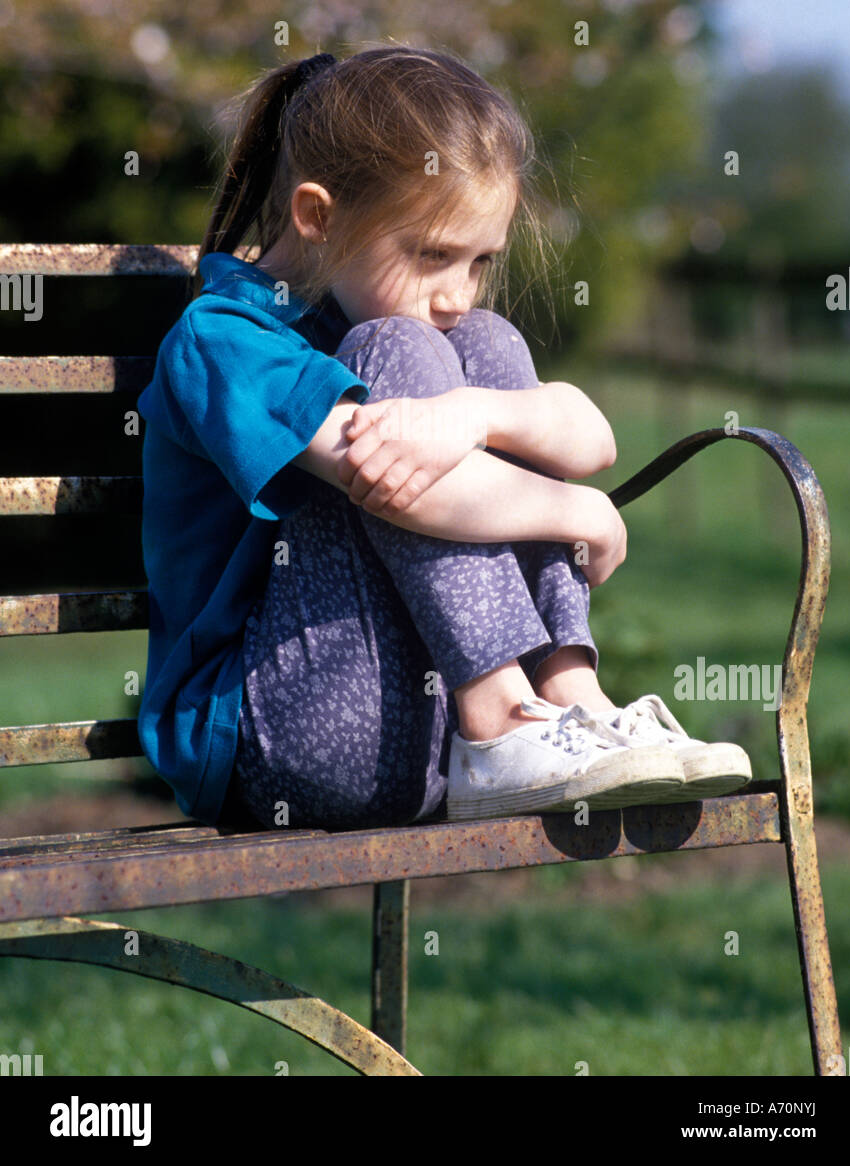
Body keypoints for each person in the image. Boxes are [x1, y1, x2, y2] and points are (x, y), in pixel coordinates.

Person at [137, 45, 751, 832]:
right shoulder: (223, 342)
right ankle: (501, 722)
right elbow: (412, 484)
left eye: (482, 259)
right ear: (317, 215)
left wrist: (476, 416)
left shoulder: (417, 317)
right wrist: (580, 513)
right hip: (283, 740)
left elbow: (592, 438)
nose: (457, 293)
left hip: (424, 733)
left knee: (488, 349)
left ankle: (568, 696)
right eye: (433, 256)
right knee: (392, 350)